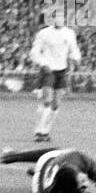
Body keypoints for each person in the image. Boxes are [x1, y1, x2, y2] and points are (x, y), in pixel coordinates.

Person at [29, 9, 81, 142]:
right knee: (47, 101)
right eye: (56, 17)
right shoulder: (44, 33)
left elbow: (73, 50)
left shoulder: (69, 33)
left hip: (61, 71)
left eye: (62, 17)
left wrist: (76, 61)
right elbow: (34, 52)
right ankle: (38, 131)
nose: (59, 20)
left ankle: (46, 131)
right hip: (48, 70)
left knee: (56, 104)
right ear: (52, 19)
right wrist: (42, 64)